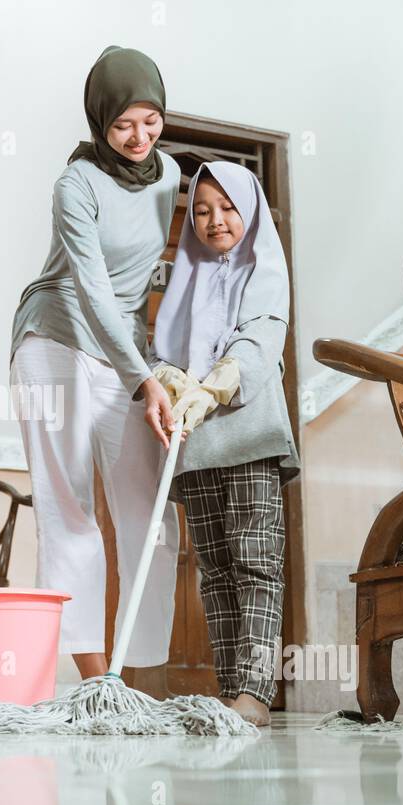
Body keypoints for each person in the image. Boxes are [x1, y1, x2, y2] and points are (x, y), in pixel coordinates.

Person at [9, 45, 181, 679]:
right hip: (54, 339)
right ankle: (91, 681)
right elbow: (94, 289)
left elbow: (145, 288)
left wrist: (156, 370)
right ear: (99, 122)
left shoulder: (168, 177)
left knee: (151, 515)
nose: (139, 137)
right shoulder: (75, 184)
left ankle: (132, 679)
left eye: (151, 120)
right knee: (70, 509)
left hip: (123, 351)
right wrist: (142, 378)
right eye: (122, 125)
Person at [150, 161, 300, 726]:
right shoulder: (184, 275)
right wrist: (168, 378)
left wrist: (214, 387)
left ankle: (257, 695)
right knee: (213, 570)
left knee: (256, 564)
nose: (215, 221)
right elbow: (161, 349)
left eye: (228, 208)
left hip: (249, 436)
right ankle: (232, 687)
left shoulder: (264, 267)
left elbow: (262, 334)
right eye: (202, 210)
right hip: (195, 445)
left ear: (251, 211)